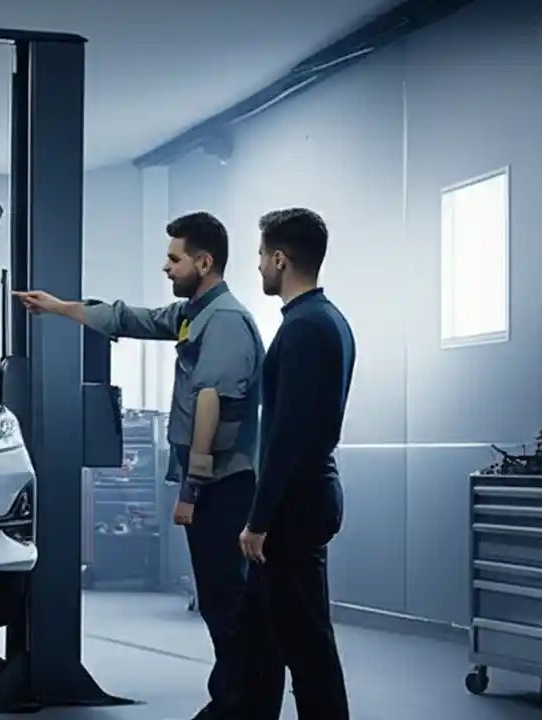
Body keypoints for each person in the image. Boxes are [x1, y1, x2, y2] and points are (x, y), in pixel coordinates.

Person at [14, 211, 263, 720]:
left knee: (227, 601)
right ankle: (233, 703)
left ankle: (240, 706)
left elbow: (213, 405)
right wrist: (61, 308)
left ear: (204, 261)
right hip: (212, 483)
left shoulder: (227, 322)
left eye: (174, 258)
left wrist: (191, 489)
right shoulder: (196, 312)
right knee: (218, 599)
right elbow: (133, 318)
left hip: (224, 484)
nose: (166, 268)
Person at [239, 207, 354, 720]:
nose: (260, 265)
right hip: (303, 498)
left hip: (295, 506)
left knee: (307, 647)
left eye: (262, 255)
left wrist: (259, 521)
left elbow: (288, 435)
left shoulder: (307, 328)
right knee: (262, 642)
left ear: (280, 259)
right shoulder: (323, 320)